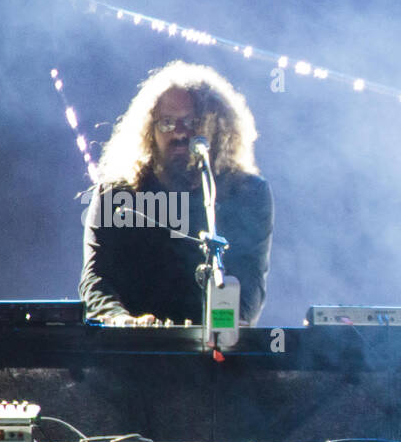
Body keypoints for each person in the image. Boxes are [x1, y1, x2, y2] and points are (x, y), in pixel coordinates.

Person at [79, 61, 273, 326]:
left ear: (218, 127)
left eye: (192, 122)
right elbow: (96, 277)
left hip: (211, 355)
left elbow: (249, 279)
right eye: (167, 123)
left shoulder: (247, 193)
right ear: (150, 130)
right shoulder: (117, 194)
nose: (180, 133)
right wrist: (118, 320)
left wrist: (227, 326)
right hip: (131, 352)